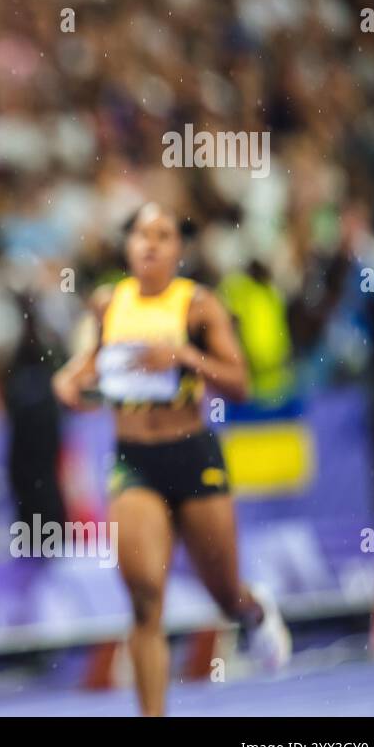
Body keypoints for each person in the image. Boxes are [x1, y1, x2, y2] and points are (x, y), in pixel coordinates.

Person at [51, 203, 291, 716]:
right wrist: (69, 379)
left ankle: (251, 611)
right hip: (134, 461)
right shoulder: (106, 302)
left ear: (178, 250)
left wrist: (184, 357)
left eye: (163, 235)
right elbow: (92, 361)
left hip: (193, 456)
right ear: (128, 246)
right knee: (143, 601)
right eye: (141, 234)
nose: (151, 244)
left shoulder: (199, 306)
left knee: (222, 591)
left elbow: (242, 383)